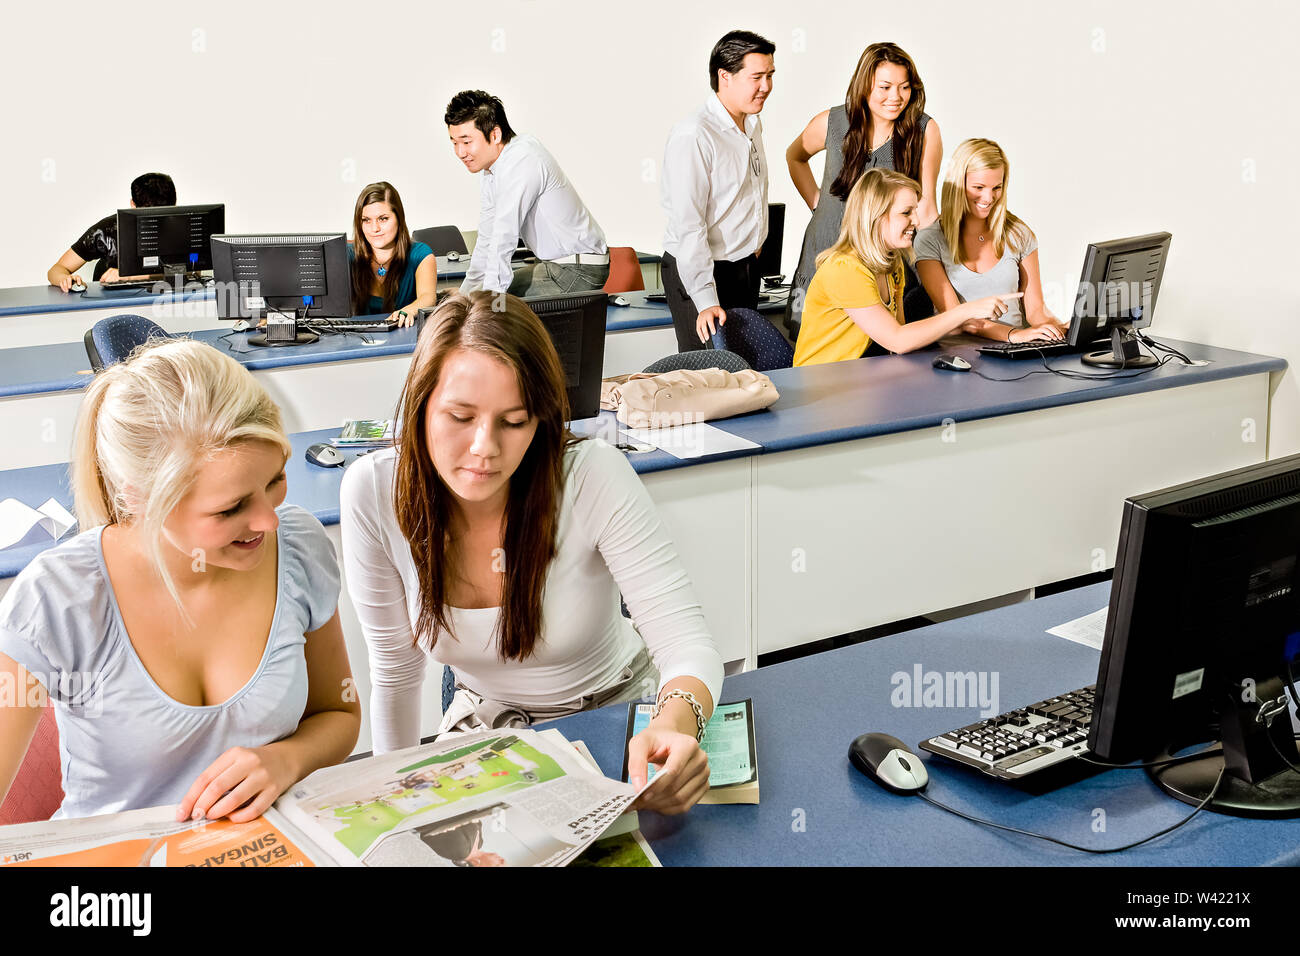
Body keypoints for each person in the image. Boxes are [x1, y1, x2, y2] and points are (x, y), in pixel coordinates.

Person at [339, 292, 723, 815]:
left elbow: (687, 645)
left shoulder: (591, 475)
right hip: (485, 732)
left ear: (540, 420)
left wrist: (674, 724)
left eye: (514, 421)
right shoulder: (374, 491)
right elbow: (396, 673)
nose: (484, 447)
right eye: (458, 415)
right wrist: (397, 807)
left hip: (615, 717)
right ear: (420, 404)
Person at [0, 340, 360, 821]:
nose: (269, 521)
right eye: (230, 508)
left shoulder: (298, 544)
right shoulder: (57, 598)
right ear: (140, 498)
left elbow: (338, 714)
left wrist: (285, 760)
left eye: (274, 480)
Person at [785, 43, 942, 341]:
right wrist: (818, 204)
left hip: (884, 265)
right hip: (825, 252)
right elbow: (795, 157)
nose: (895, 97)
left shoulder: (924, 131)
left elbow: (927, 209)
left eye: (904, 87)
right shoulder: (831, 122)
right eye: (885, 87)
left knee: (879, 354)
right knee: (814, 350)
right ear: (864, 84)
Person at [793, 168, 1024, 367]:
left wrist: (958, 324)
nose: (916, 220)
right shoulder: (845, 269)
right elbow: (898, 340)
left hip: (863, 375)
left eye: (914, 210)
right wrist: (966, 310)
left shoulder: (892, 262)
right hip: (821, 384)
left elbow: (898, 337)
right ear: (875, 217)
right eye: (906, 213)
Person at [661, 29, 776, 351]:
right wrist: (705, 297)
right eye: (756, 77)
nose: (765, 87)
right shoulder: (695, 134)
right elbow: (689, 224)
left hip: (744, 268)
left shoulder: (752, 123)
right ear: (725, 76)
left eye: (770, 76)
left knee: (743, 376)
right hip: (701, 271)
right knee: (710, 378)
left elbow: (749, 193)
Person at [446, 91, 609, 297]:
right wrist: (466, 294)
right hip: (557, 266)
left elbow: (504, 236)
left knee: (494, 306)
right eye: (454, 143)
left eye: (466, 142)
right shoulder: (492, 170)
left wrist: (490, 303)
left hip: (578, 270)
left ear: (495, 135)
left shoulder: (522, 160)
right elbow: (487, 238)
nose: (460, 152)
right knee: (475, 299)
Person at [914, 138, 1066, 343]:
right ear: (957, 185)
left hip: (1015, 354)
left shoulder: (1018, 234)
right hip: (959, 359)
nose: (988, 198)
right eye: (979, 187)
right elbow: (956, 317)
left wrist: (1059, 328)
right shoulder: (930, 240)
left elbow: (1036, 310)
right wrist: (1015, 335)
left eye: (997, 187)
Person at [46, 172, 177, 291]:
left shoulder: (181, 228)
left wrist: (130, 277)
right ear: (133, 205)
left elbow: (191, 272)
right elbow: (56, 270)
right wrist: (64, 279)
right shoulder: (106, 230)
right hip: (111, 305)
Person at [348, 181, 438, 326]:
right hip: (356, 341)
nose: (374, 228)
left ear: (399, 218)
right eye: (366, 220)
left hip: (405, 341)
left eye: (383, 219)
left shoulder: (420, 254)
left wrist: (409, 310)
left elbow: (427, 297)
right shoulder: (347, 255)